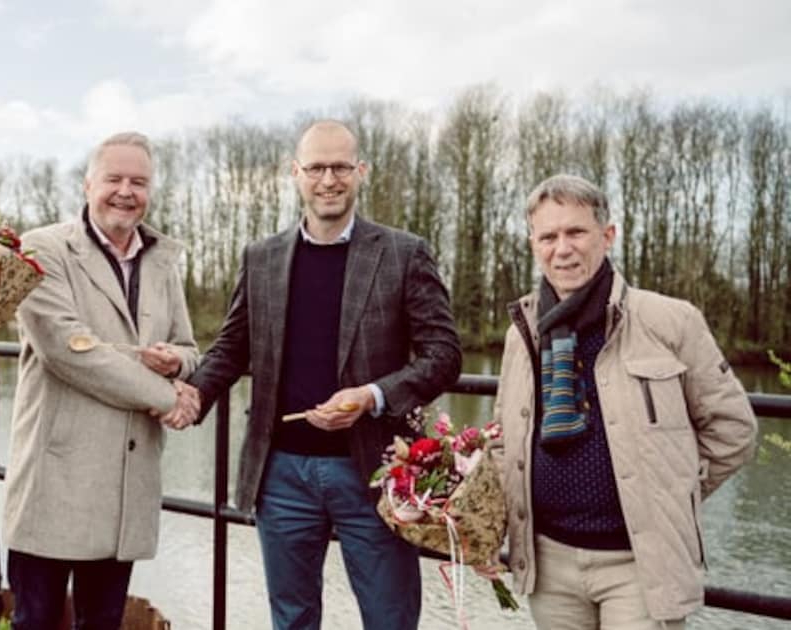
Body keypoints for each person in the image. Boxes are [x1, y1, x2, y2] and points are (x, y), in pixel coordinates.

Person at [185, 120, 462, 629]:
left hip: (376, 476)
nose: (328, 179)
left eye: (340, 167)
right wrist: (192, 396)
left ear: (361, 172)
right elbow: (231, 346)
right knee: (291, 619)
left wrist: (373, 396)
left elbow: (444, 355)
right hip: (282, 476)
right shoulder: (260, 257)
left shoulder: (404, 252)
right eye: (316, 167)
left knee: (390, 619)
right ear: (296, 174)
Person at [493, 174, 758, 629]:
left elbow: (733, 430)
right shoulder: (522, 334)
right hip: (548, 564)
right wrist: (484, 529)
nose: (563, 248)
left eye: (576, 232)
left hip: (639, 565)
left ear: (607, 235)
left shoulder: (670, 321)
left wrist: (669, 493)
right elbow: (502, 441)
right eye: (548, 236)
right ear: (533, 244)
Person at [3, 131, 200, 629]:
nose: (125, 191)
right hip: (56, 483)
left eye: (139, 181)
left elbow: (190, 348)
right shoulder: (41, 250)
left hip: (125, 490)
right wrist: (165, 396)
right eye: (114, 178)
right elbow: (68, 349)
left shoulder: (162, 260)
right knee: (37, 622)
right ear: (88, 183)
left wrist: (176, 362)